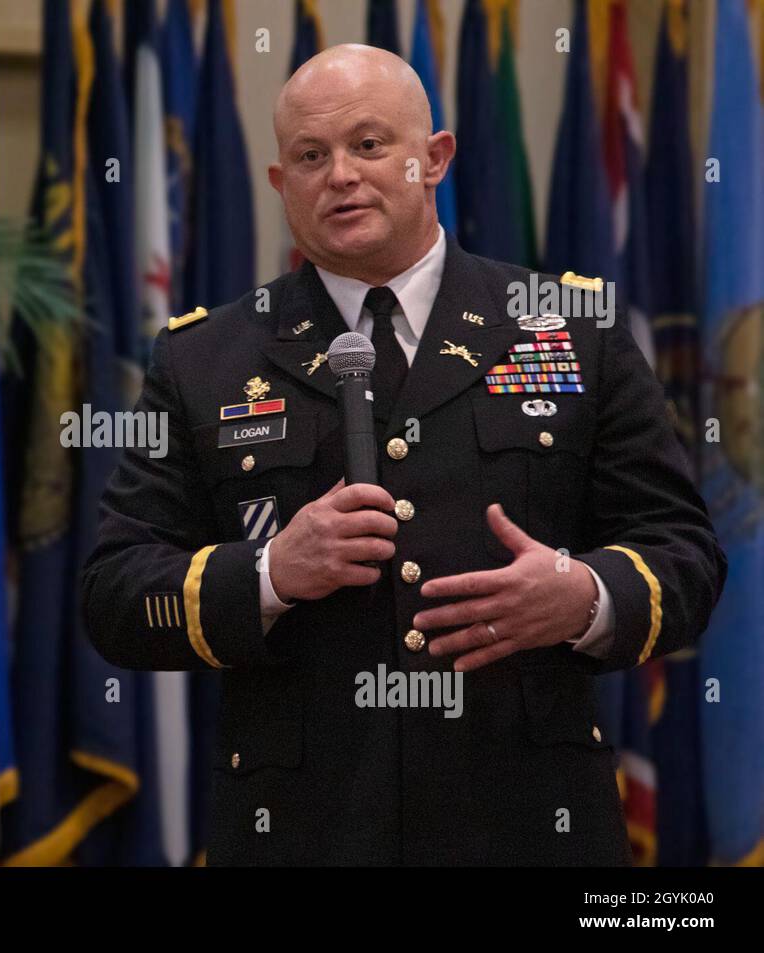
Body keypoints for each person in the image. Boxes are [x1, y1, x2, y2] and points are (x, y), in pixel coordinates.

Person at [81, 44, 726, 865]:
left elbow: (689, 559)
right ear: (282, 186)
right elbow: (113, 596)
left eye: (370, 144)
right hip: (305, 832)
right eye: (312, 157)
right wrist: (273, 571)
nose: (342, 175)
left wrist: (583, 596)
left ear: (436, 158)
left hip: (528, 827)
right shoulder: (206, 358)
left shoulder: (570, 329)